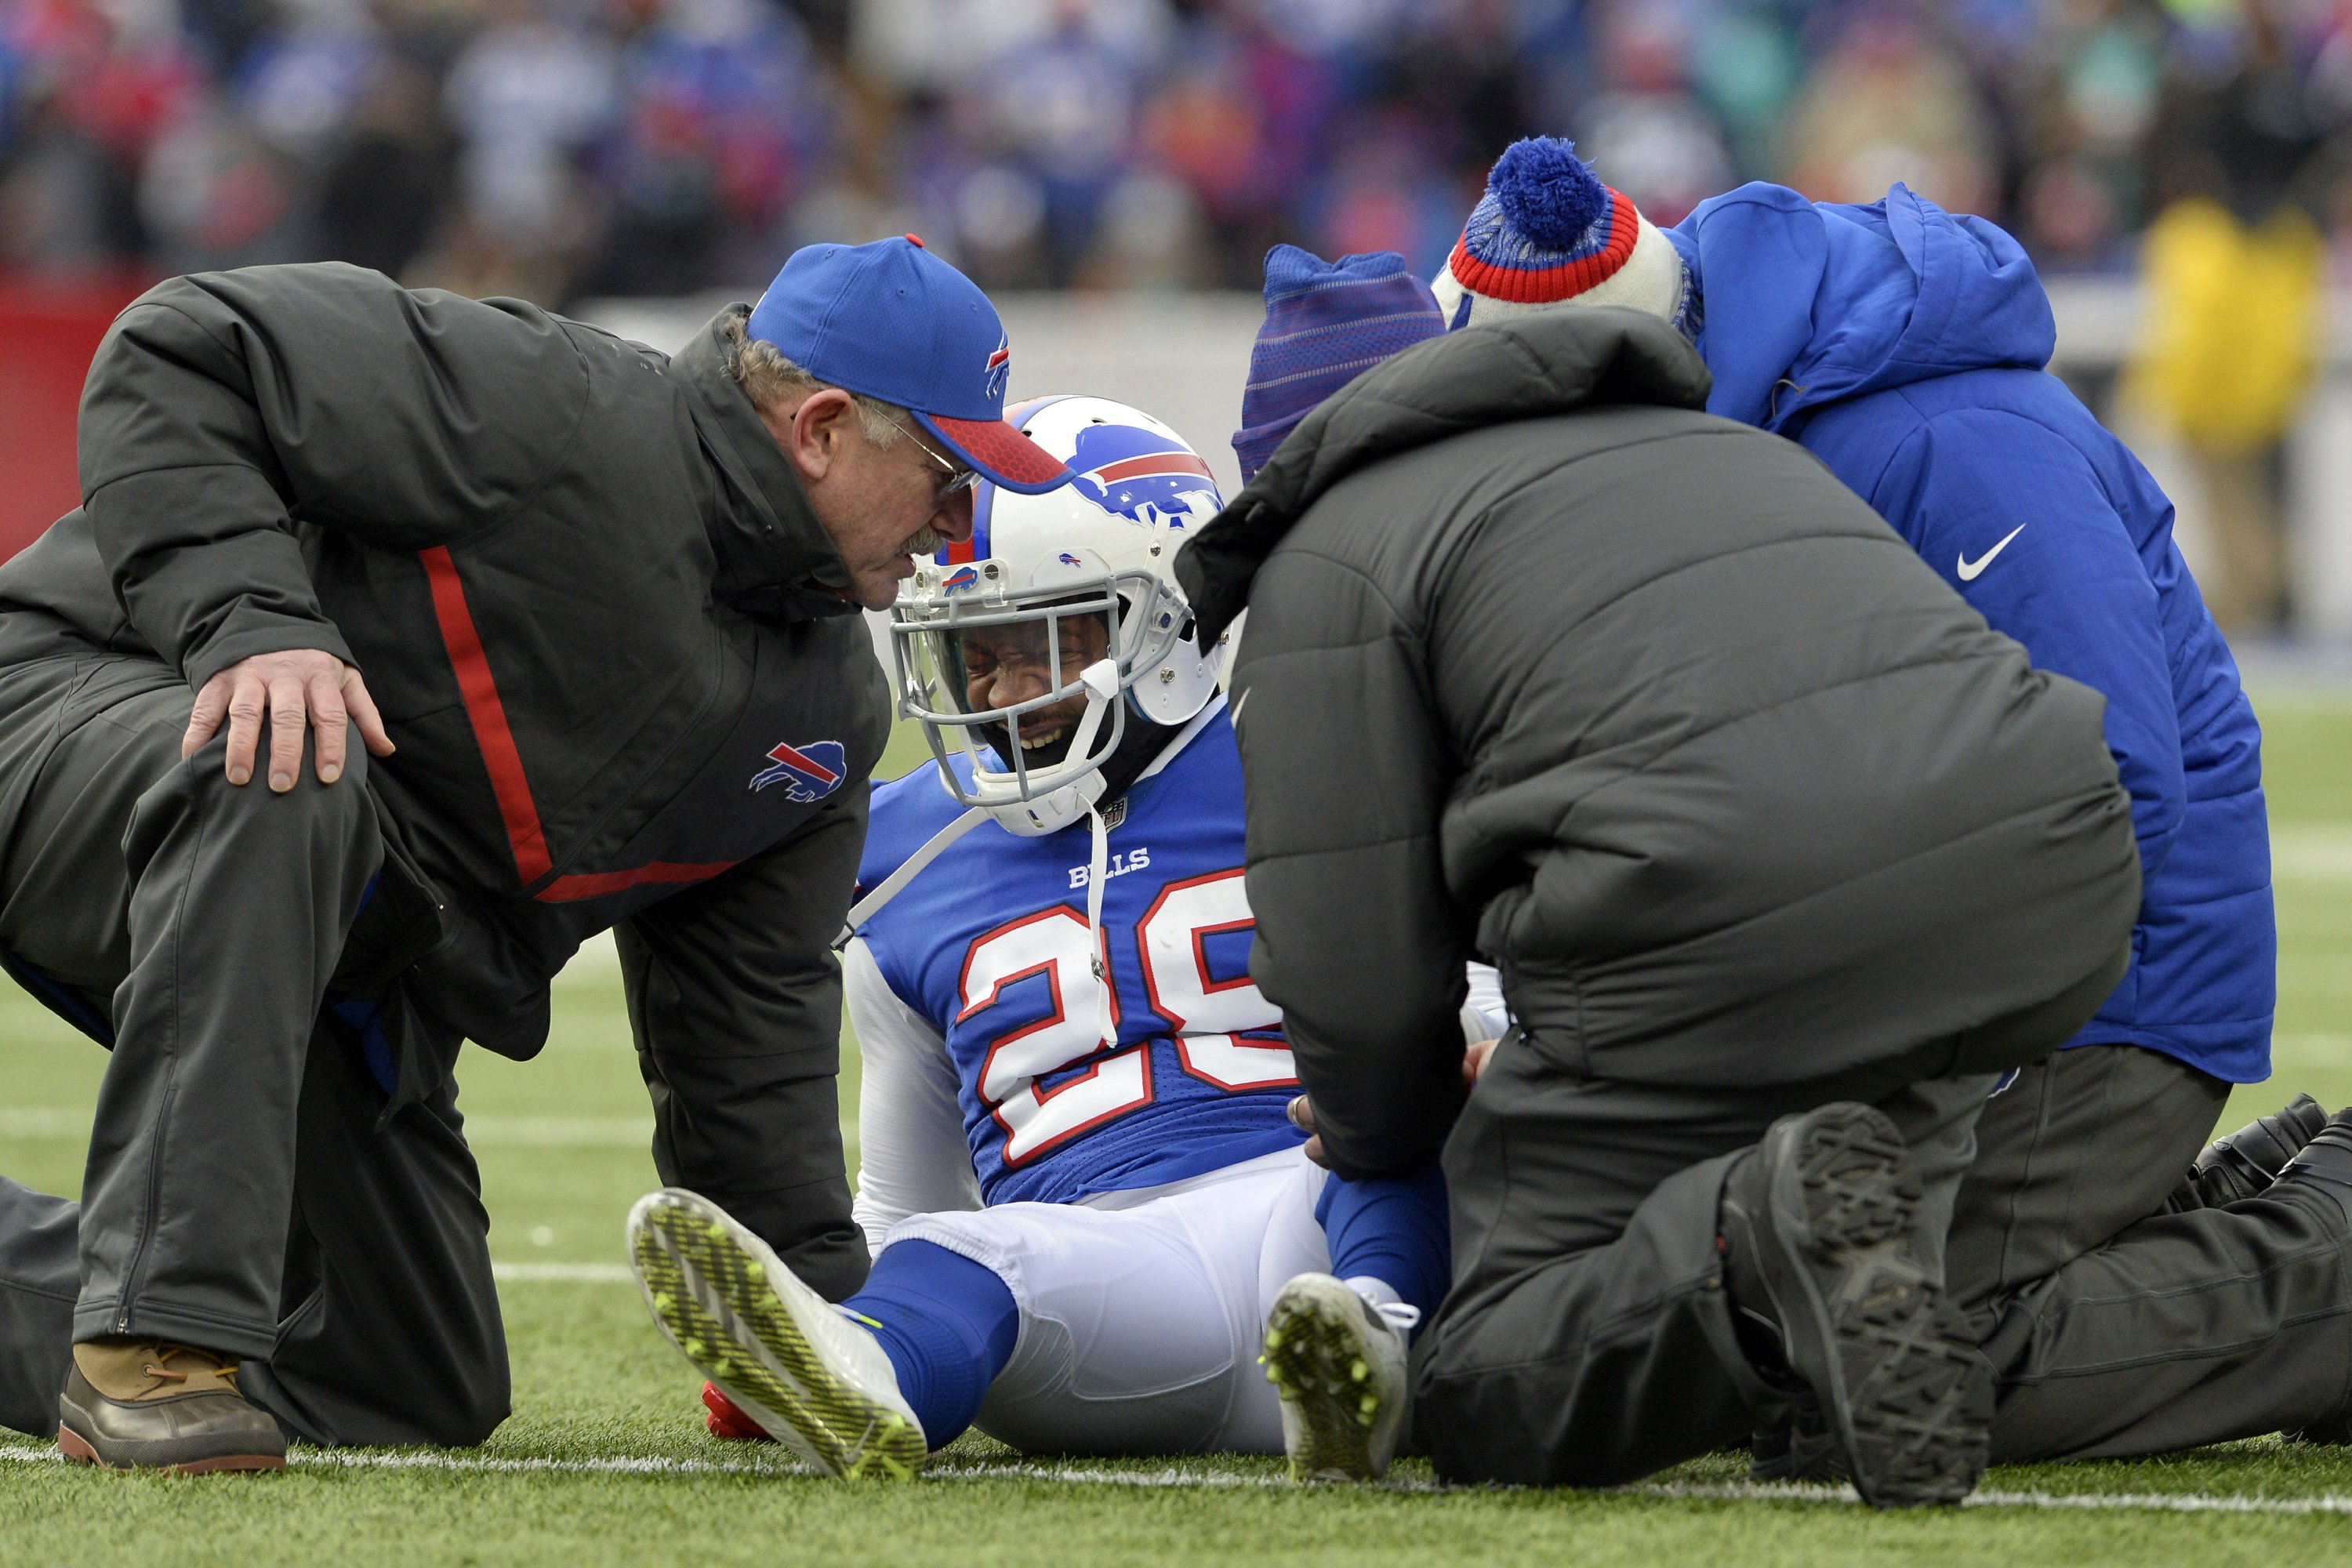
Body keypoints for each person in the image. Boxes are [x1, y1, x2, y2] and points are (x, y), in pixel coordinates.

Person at [0, 235, 1073, 1472]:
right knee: (299, 755)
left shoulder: (827, 714)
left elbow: (748, 1051)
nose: (959, 522)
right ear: (821, 428)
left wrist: (827, 1334)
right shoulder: (552, 407)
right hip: (78, 712)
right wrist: (249, 623)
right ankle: (151, 1348)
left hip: (327, 926)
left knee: (412, 1384)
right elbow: (187, 343)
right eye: (946, 474)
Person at [1428, 138, 2352, 1461]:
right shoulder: (1736, 429)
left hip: (2100, 994)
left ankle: (2326, 1271)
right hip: (1909, 989)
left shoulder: (1941, 430)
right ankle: (2201, 1222)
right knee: (1758, 1291)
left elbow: (2114, 784)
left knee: (1865, 1356)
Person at [1172, 245, 2143, 1504]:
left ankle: (1756, 1245)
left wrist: (1398, 1134)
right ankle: (1818, 1295)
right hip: (2039, 879)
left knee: (1486, 1375)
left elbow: (1350, 980)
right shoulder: (1728, 448)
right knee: (1851, 1240)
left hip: (1723, 907)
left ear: (1285, 461)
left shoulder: (1332, 554)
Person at [628, 395, 1495, 1483]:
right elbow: (906, 1200)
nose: (997, 695)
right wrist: (848, 1303)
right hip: (1102, 1275)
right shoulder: (901, 854)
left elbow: (1475, 1007)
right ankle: (866, 1379)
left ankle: (1372, 1348)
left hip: (1316, 1209)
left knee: (1387, 1110)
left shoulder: (1312, 756)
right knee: (953, 1257)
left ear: (1161, 624)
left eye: (1039, 645)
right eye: (975, 658)